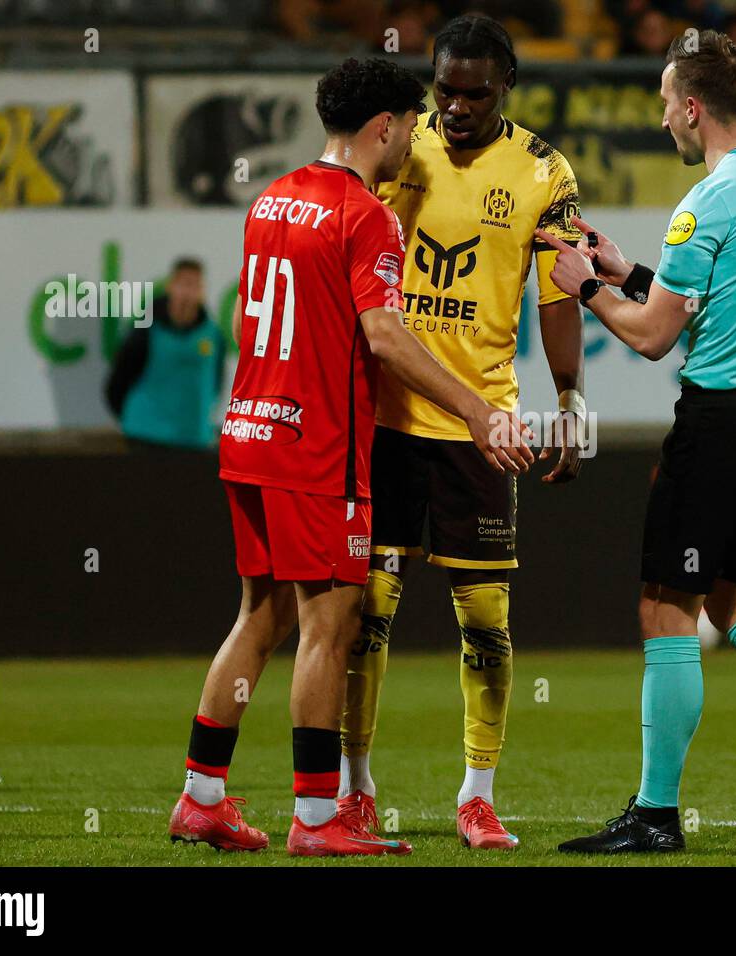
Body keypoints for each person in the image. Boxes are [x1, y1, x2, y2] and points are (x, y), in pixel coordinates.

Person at [166, 57, 533, 858]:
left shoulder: (272, 197)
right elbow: (385, 336)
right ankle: (318, 817)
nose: (414, 141)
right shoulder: (367, 215)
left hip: (250, 431)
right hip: (315, 451)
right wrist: (478, 412)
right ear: (383, 127)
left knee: (256, 617)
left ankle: (202, 796)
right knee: (328, 629)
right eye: (410, 125)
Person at [536, 29, 736, 854]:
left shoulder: (707, 200)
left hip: (718, 425)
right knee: (735, 600)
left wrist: (585, 290)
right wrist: (625, 273)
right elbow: (714, 307)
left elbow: (652, 340)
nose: (661, 124)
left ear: (693, 107)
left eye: (663, 105)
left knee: (665, 607)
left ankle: (655, 813)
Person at [336, 13, 586, 851]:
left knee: (484, 617)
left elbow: (558, 292)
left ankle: (477, 796)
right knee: (366, 610)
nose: (457, 108)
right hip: (385, 417)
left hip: (483, 420)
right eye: (445, 90)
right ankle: (355, 789)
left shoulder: (545, 172)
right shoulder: (397, 150)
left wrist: (571, 398)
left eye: (475, 94)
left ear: (506, 86)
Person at [105, 258, 226, 450]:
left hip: (194, 440)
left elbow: (216, 383)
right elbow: (119, 379)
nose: (189, 293)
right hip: (146, 438)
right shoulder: (145, 330)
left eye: (196, 285)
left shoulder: (213, 335)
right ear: (171, 286)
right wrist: (138, 419)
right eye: (184, 284)